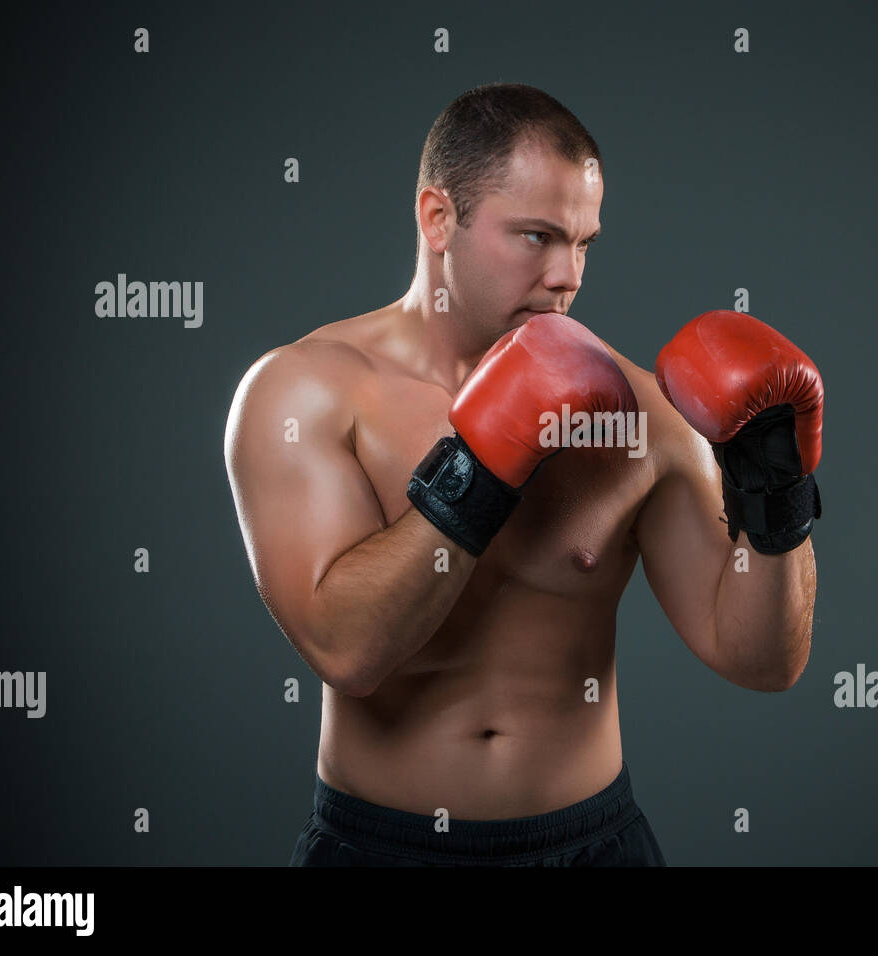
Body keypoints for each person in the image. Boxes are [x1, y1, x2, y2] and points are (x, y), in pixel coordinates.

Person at [223, 82, 823, 866]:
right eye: (536, 237)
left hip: (589, 844)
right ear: (440, 219)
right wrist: (481, 461)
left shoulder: (637, 413)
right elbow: (347, 652)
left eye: (584, 243)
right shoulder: (305, 393)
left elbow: (764, 661)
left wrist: (773, 492)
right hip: (381, 847)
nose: (567, 276)